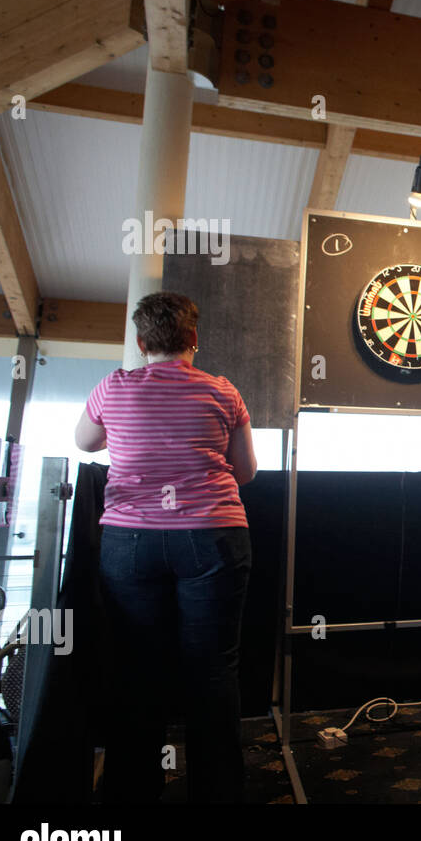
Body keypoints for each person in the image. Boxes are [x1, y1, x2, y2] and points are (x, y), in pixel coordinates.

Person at [75, 291, 257, 803]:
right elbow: (244, 472)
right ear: (194, 339)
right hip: (212, 539)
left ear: (140, 342)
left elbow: (84, 442)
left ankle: (131, 794)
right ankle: (218, 794)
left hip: (130, 542)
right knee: (213, 669)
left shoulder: (113, 387)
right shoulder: (224, 392)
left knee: (137, 668)